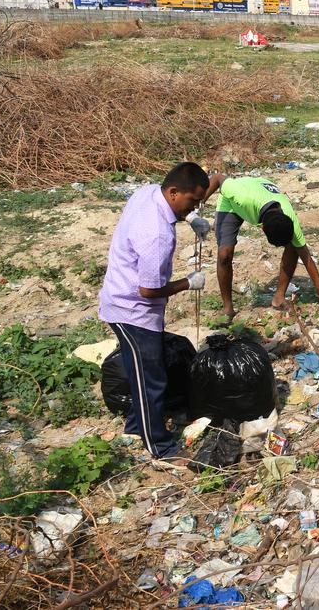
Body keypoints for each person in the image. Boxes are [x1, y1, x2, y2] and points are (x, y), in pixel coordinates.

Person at [98, 161, 210, 466]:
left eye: (199, 203)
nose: (193, 208)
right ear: (174, 192)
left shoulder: (149, 192)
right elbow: (148, 290)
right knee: (152, 380)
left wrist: (192, 218)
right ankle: (159, 446)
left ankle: (136, 427)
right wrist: (188, 282)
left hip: (127, 300)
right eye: (192, 203)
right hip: (130, 310)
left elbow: (177, 203)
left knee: (146, 371)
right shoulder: (157, 235)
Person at [204, 175, 319, 322]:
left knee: (294, 246)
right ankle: (228, 308)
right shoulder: (239, 194)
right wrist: (197, 205)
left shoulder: (289, 218)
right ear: (262, 228)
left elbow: (305, 256)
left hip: (264, 189)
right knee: (224, 255)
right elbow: (217, 178)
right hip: (232, 204)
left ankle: (279, 298)